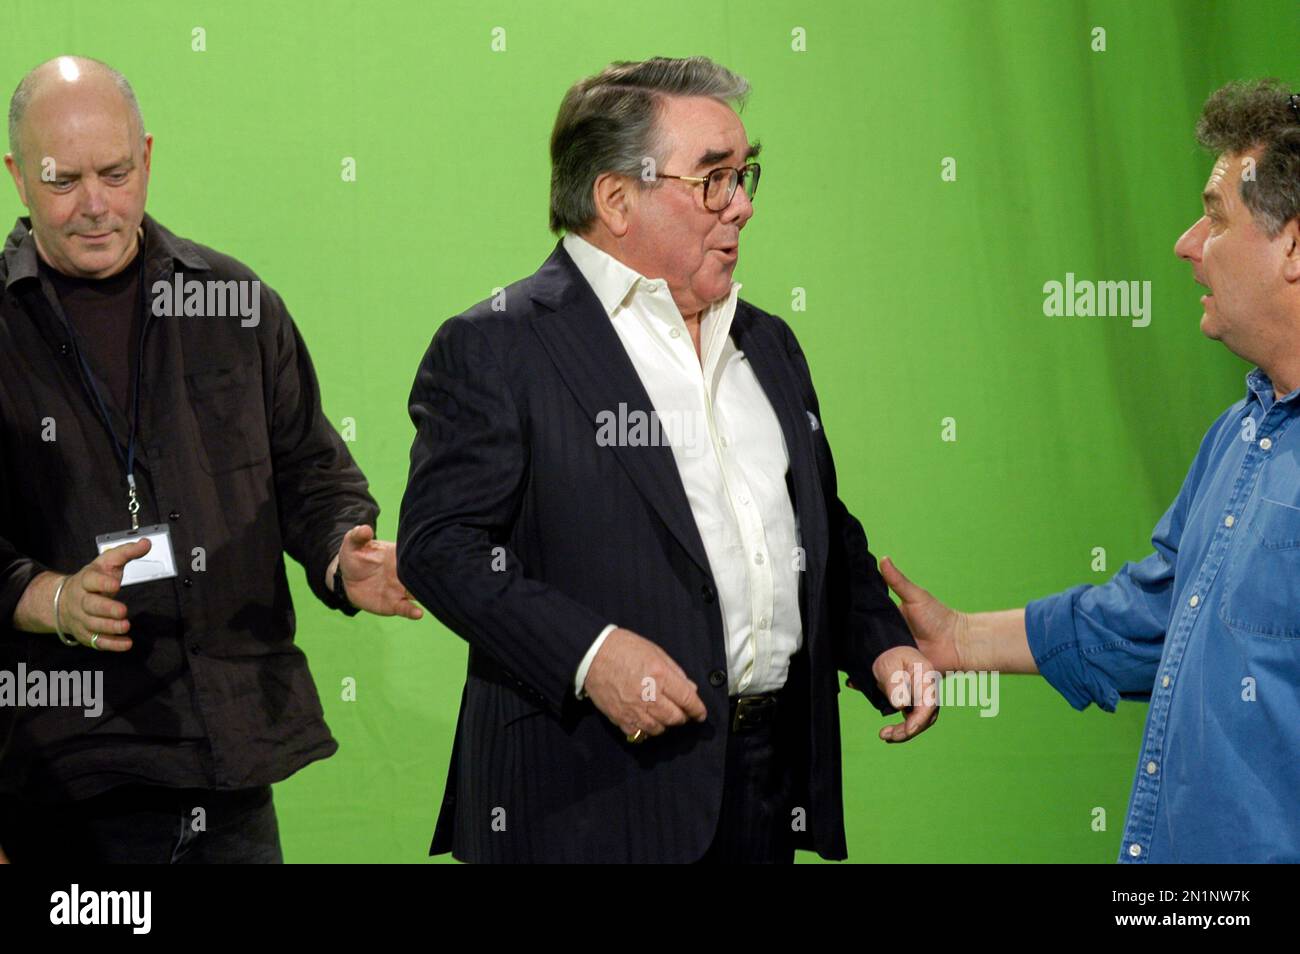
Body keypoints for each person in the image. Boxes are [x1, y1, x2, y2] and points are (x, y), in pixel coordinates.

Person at [397, 55, 937, 864]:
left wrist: (878, 643)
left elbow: (815, 529)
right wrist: (590, 655)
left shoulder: (769, 344)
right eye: (714, 178)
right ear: (617, 198)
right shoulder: (497, 344)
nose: (744, 205)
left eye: (746, 172)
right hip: (577, 800)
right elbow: (440, 552)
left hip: (759, 793)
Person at [0, 56, 421, 863]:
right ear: (19, 176)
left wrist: (343, 552)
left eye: (117, 173)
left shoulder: (232, 302)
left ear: (148, 158)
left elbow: (311, 470)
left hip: (230, 762)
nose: (96, 205)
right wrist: (46, 598)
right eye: (63, 181)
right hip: (62, 774)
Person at [881, 79, 1300, 863]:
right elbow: (1157, 616)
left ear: (1294, 246)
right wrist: (961, 639)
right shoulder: (1237, 437)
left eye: (1214, 216)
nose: (1185, 243)